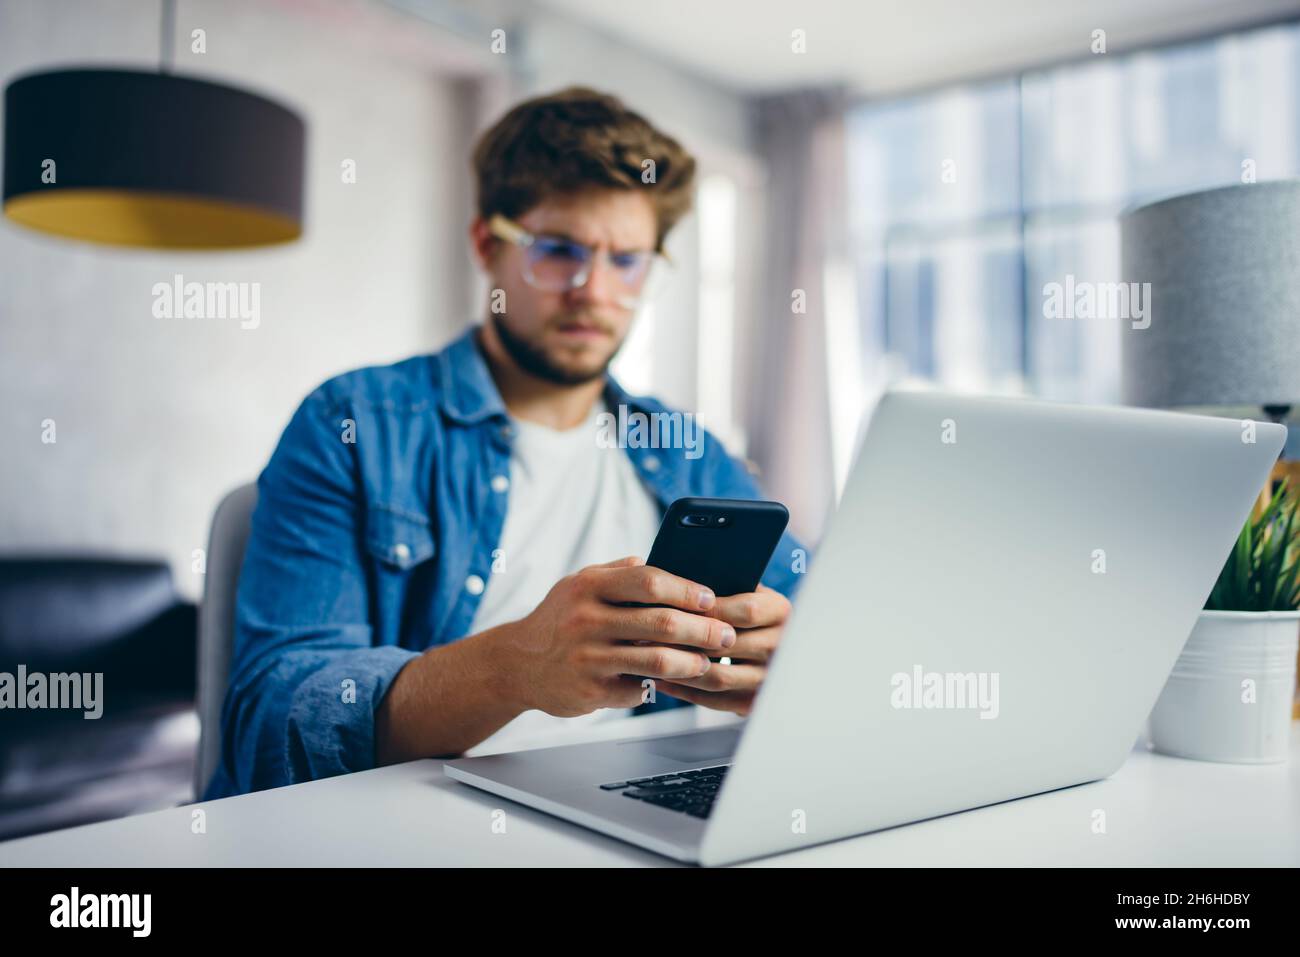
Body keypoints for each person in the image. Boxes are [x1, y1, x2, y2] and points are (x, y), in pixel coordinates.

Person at [205, 87, 808, 799]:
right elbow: (270, 727)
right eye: (559, 252)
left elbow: (817, 623)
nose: (594, 291)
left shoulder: (684, 449)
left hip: (624, 807)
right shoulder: (356, 423)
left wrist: (785, 653)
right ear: (488, 247)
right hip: (406, 816)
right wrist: (516, 666)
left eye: (628, 261)